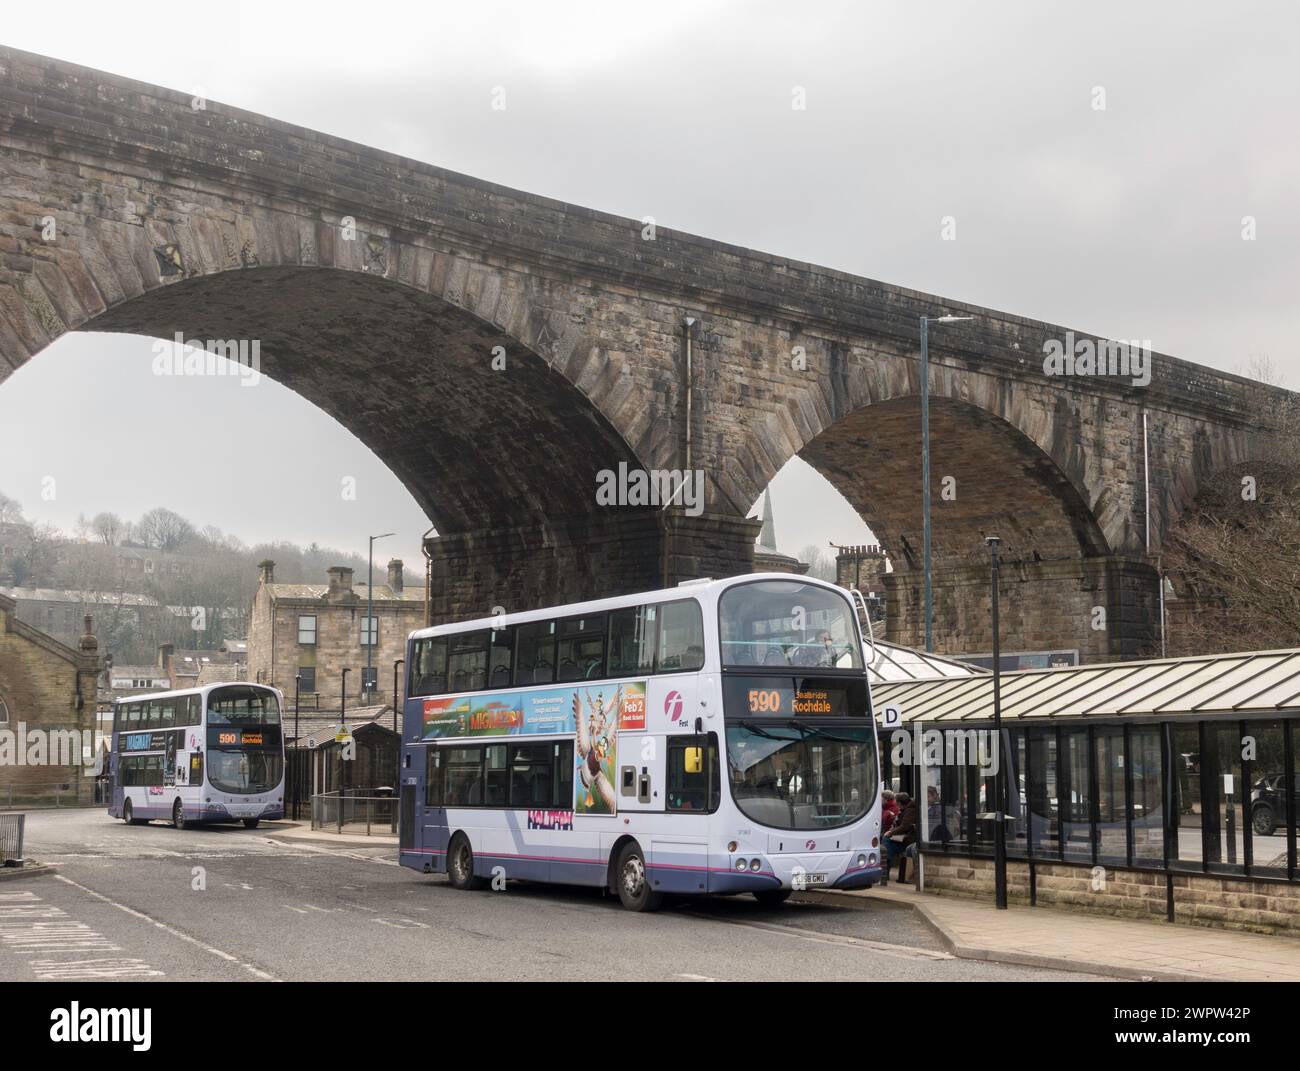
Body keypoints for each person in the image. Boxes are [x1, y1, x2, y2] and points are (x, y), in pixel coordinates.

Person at [884, 791, 917, 877]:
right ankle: (886, 867)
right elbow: (900, 823)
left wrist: (891, 833)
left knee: (886, 840)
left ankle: (886, 868)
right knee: (885, 841)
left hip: (908, 838)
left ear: (899, 802)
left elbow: (905, 826)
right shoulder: (904, 809)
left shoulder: (910, 810)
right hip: (905, 837)